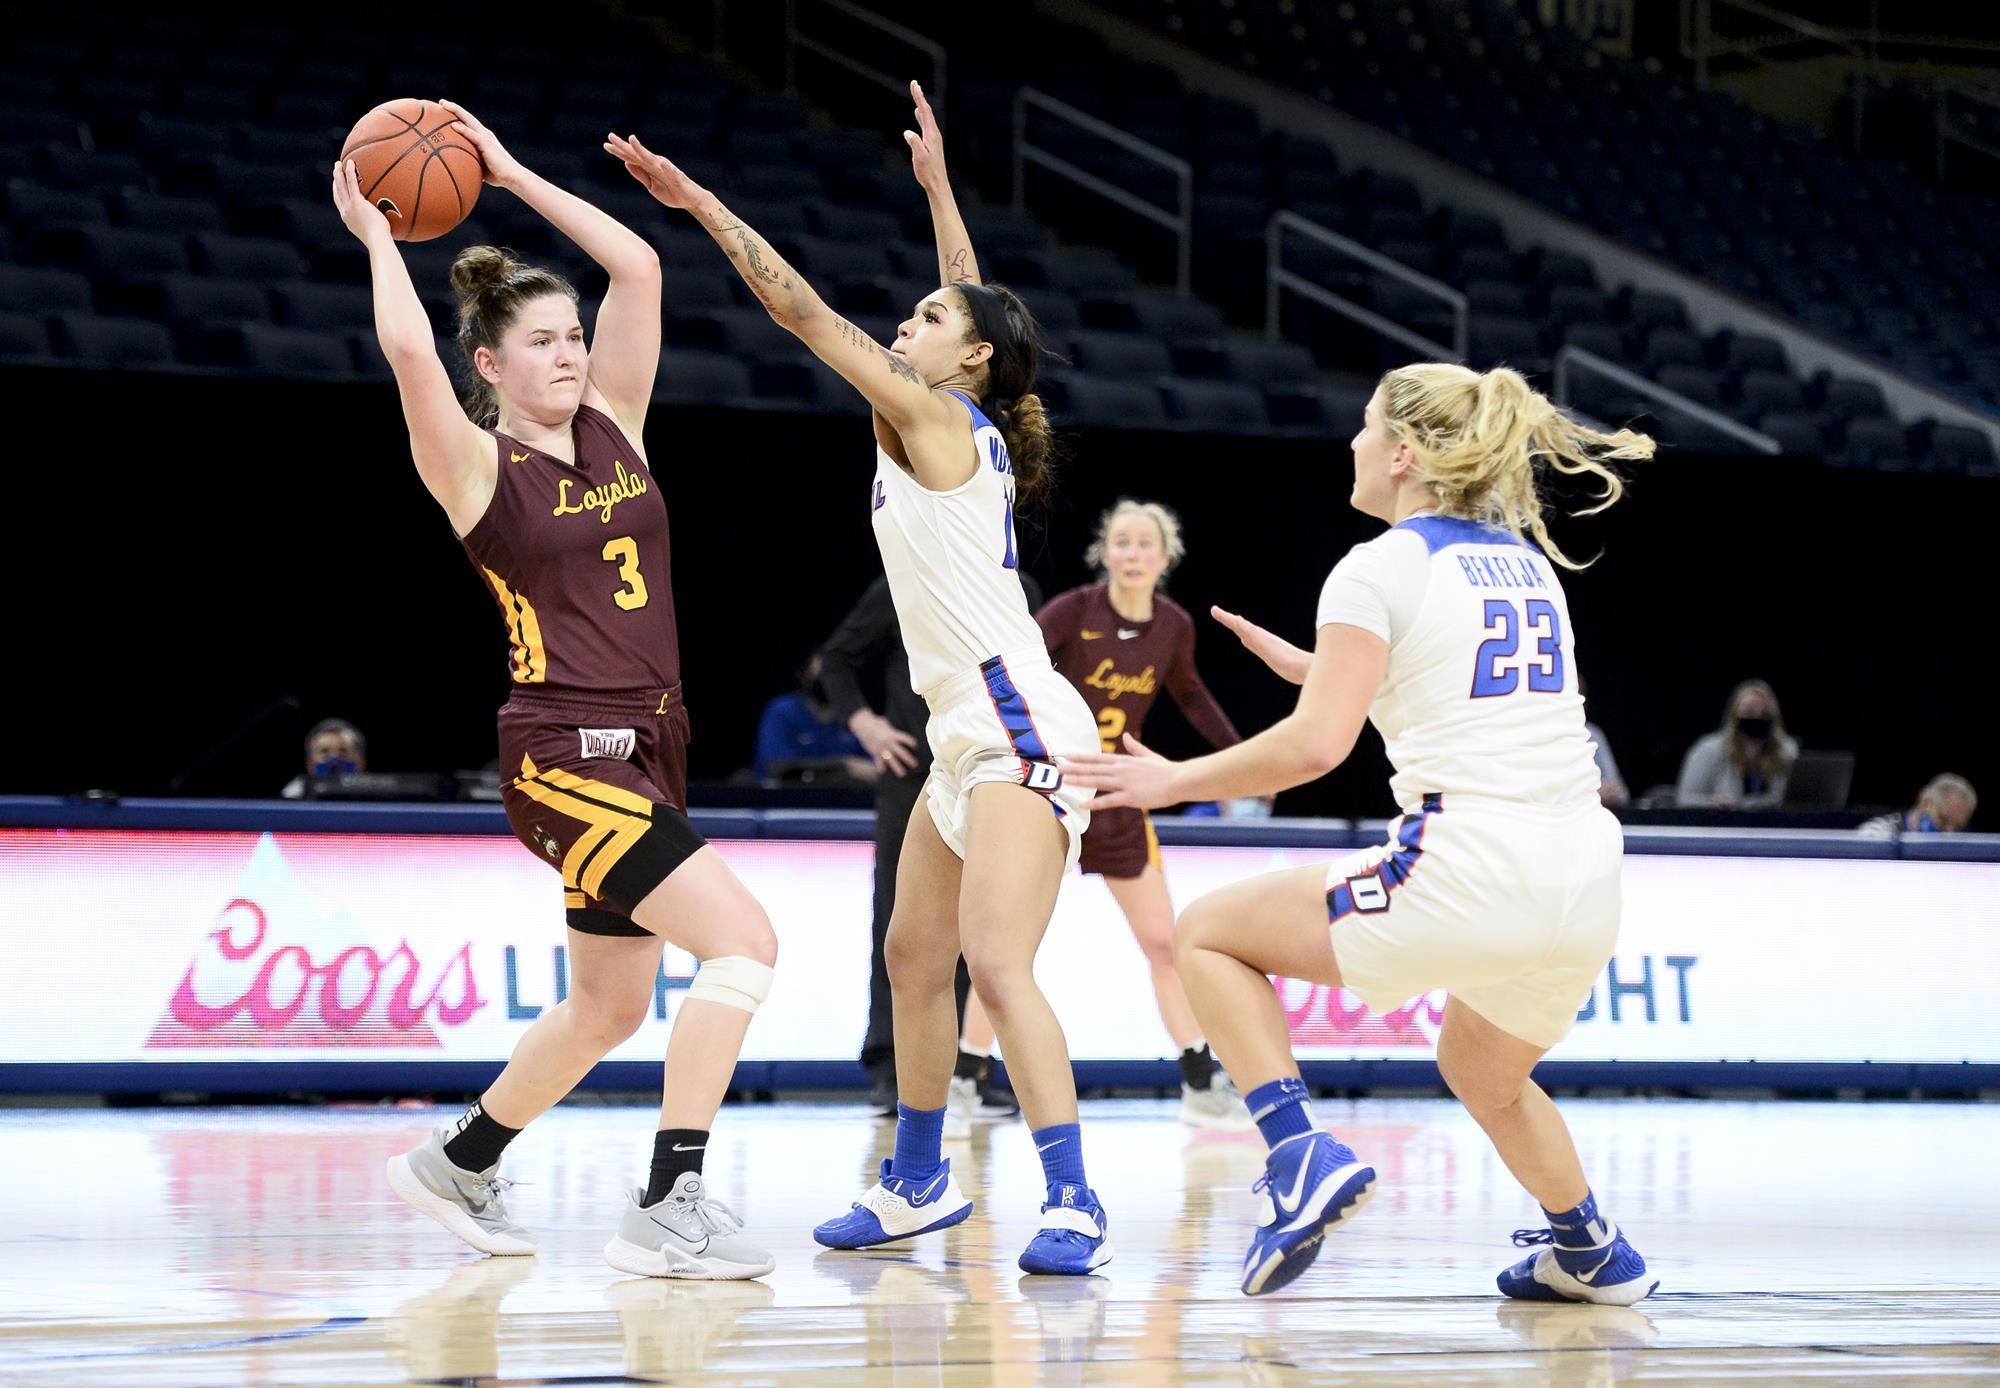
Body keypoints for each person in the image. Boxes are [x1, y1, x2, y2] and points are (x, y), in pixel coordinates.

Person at [609, 77, 1111, 1274]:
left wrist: (701, 207)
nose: (905, 320)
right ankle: (919, 1179)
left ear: (970, 358)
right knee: (908, 956)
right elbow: (974, 303)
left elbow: (801, 313)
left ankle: (1074, 1197)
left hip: (1012, 715)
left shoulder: (937, 420)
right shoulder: (959, 407)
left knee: (994, 961)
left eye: (927, 317)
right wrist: (939, 189)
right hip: (956, 725)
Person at [1065, 363, 1662, 1306]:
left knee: (1207, 934)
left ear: (1403, 454)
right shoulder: (1524, 561)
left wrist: (1171, 779)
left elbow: (1314, 749)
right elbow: (1457, 690)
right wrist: (1324, 665)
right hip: (1587, 879)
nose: (1349, 442)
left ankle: (1298, 1154)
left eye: (1363, 424)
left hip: (1472, 864)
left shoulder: (1376, 567)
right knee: (1481, 1070)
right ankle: (1591, 1248)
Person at [336, 102, 777, 1280]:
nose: (571, 351)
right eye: (541, 341)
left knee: (608, 1007)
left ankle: (459, 1159)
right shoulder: (477, 467)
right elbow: (408, 355)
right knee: (744, 945)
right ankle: (669, 1199)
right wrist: (381, 242)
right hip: (561, 756)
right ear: (491, 365)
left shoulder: (617, 423)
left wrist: (513, 171)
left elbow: (635, 261)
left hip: (652, 743)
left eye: (572, 334)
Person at [954, 499, 1255, 1130]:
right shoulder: (1073, 611)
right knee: (1006, 946)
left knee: (1167, 945)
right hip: (1052, 791)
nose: (1133, 553)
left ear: (1164, 558)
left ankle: (1200, 1081)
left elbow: (1192, 694)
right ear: (1105, 553)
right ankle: (966, 1080)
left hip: (1118, 798)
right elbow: (1014, 668)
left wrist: (1240, 762)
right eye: (1122, 542)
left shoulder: (1174, 625)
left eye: (1146, 543)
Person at [817, 572, 1041, 1119]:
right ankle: (889, 1067)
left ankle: (969, 1067)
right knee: (901, 922)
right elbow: (838, 658)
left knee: (984, 924)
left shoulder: (1019, 586)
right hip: (914, 773)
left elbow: (1038, 678)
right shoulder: (902, 578)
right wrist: (865, 724)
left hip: (990, 770)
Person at [1674, 680, 1797, 808]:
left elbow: (1793, 799)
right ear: (1734, 714)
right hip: (1723, 824)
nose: (1757, 717)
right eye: (1749, 711)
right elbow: (1685, 799)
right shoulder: (1709, 750)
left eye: (1765, 714)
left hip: (1774, 825)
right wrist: (1712, 803)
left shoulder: (1786, 750)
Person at [750, 655, 871, 784]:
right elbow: (777, 768)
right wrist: (845, 765)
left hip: (846, 799)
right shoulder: (782, 710)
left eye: (832, 674)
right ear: (804, 676)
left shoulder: (857, 717)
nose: (828, 681)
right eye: (821, 673)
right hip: (788, 799)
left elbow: (873, 768)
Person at [1858, 773, 1978, 837]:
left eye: (1958, 827)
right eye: (1943, 820)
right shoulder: (1879, 833)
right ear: (1925, 801)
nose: (1949, 833)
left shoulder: (1960, 854)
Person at [280, 718, 366, 798]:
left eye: (343, 754)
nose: (334, 762)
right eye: (325, 754)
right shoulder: (295, 793)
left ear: (360, 764)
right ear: (310, 765)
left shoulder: (369, 794)